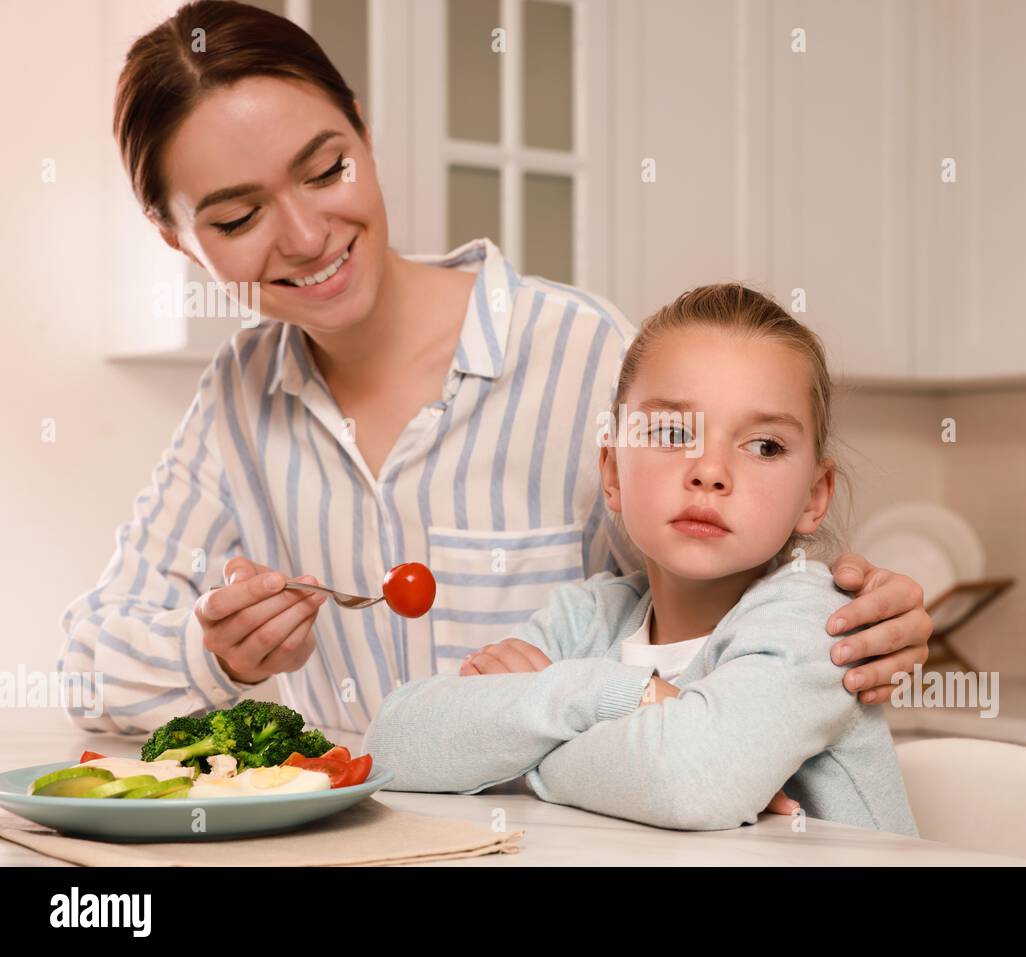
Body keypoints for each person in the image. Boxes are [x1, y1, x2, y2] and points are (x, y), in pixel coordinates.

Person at [60, 1, 933, 815]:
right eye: (239, 215)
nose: (304, 235)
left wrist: (863, 612)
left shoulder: (584, 353)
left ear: (364, 128)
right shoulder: (236, 399)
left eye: (327, 168)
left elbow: (738, 571)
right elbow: (87, 669)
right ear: (177, 238)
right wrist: (210, 652)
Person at [363, 284, 918, 832]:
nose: (710, 470)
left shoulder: (818, 624)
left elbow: (693, 782)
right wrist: (628, 695)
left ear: (814, 497)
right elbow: (396, 745)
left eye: (764, 445)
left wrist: (519, 756)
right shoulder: (587, 620)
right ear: (612, 474)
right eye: (673, 431)